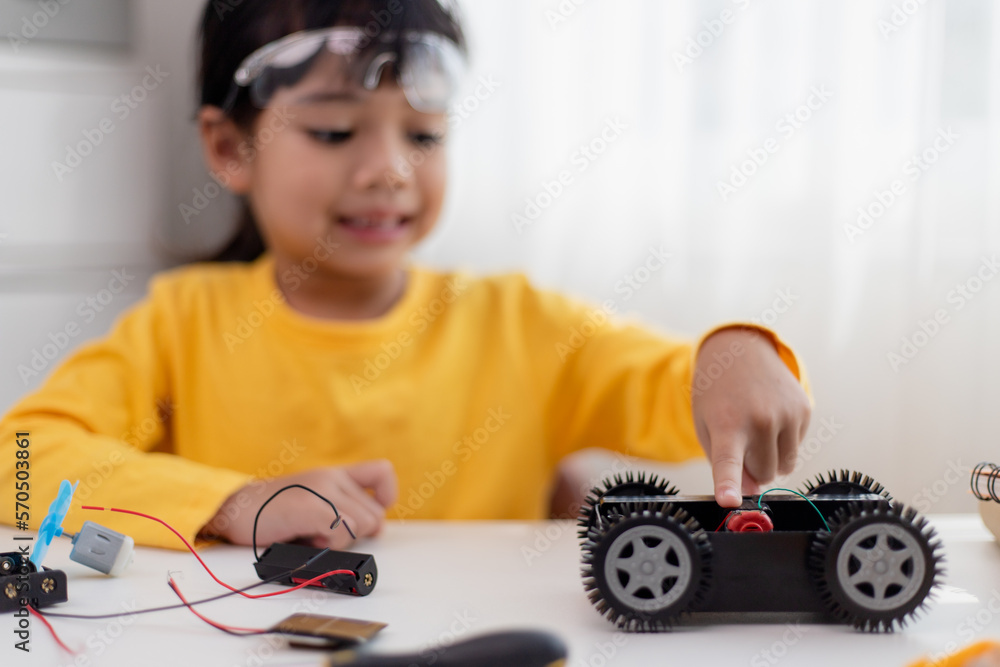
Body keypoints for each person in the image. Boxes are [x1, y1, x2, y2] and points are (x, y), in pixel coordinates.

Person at [0, 0, 811, 552]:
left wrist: (734, 352)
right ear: (228, 148)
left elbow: (680, 386)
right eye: (333, 129)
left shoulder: (518, 322)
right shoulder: (183, 323)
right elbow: (22, 458)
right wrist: (231, 502)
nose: (389, 170)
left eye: (422, 137)